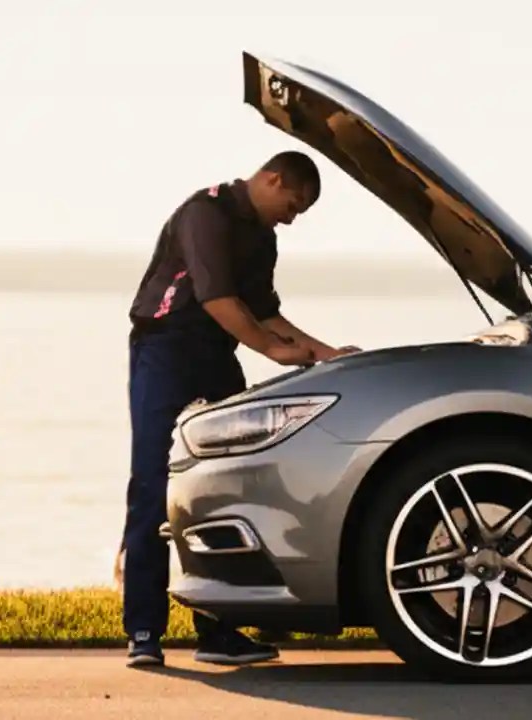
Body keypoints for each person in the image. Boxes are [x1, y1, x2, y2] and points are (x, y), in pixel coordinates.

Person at [120, 150, 358, 667]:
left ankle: (218, 633)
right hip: (164, 350)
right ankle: (144, 631)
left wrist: (324, 354)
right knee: (153, 484)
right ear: (272, 179)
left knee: (223, 487)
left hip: (216, 355)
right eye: (293, 205)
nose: (292, 219)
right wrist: (273, 351)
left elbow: (265, 312)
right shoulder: (204, 213)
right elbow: (218, 299)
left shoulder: (262, 237)